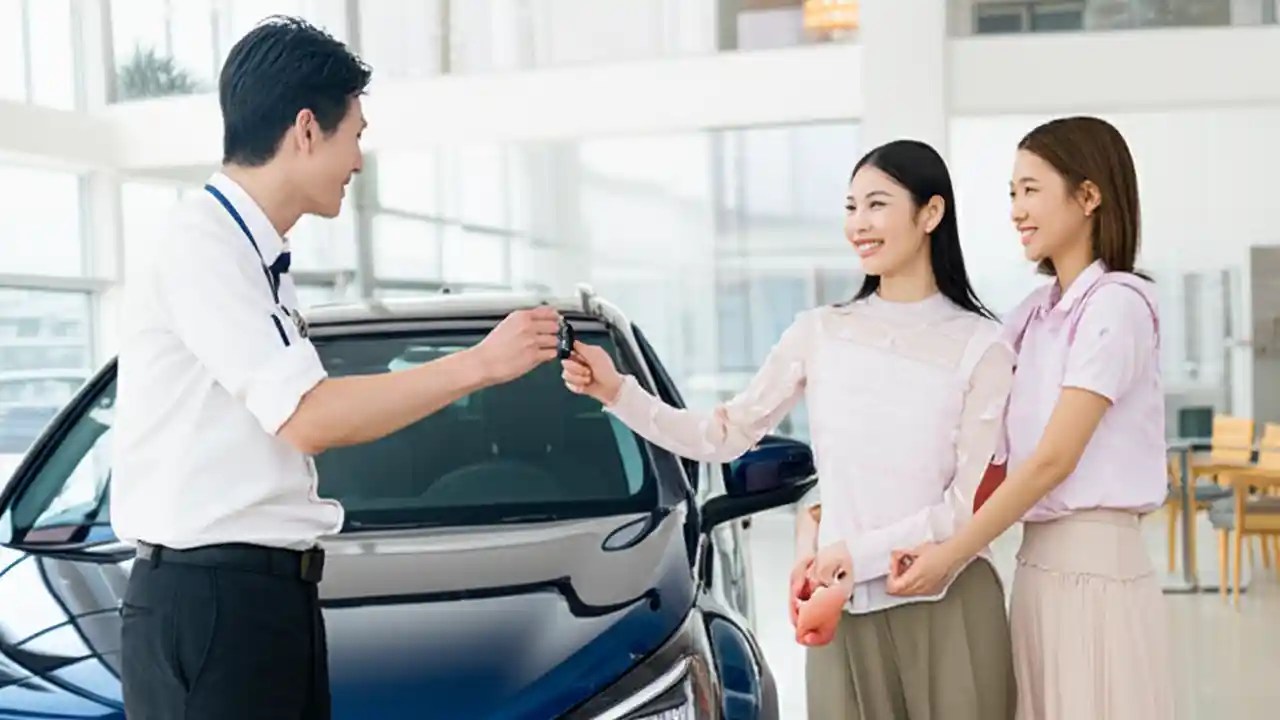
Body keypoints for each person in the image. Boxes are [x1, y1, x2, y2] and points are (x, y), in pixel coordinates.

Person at [110, 17, 562, 720]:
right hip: (213, 607)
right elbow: (309, 417)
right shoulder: (203, 246)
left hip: (263, 600)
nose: (358, 162)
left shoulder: (256, 256)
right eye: (355, 135)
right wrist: (477, 365)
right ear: (306, 130)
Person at [562, 139, 1017, 720]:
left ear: (931, 213)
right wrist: (617, 392)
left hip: (949, 603)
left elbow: (966, 506)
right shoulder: (820, 332)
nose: (858, 223)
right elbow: (724, 436)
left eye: (877, 204)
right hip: (844, 611)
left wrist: (850, 554)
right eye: (850, 207)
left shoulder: (983, 345)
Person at [886, 116, 1174, 720]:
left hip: (1098, 576)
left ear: (1088, 196)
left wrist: (951, 554)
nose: (1016, 210)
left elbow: (1052, 460)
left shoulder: (1115, 306)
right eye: (1012, 193)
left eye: (1031, 190)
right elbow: (966, 416)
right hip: (1037, 571)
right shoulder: (1033, 315)